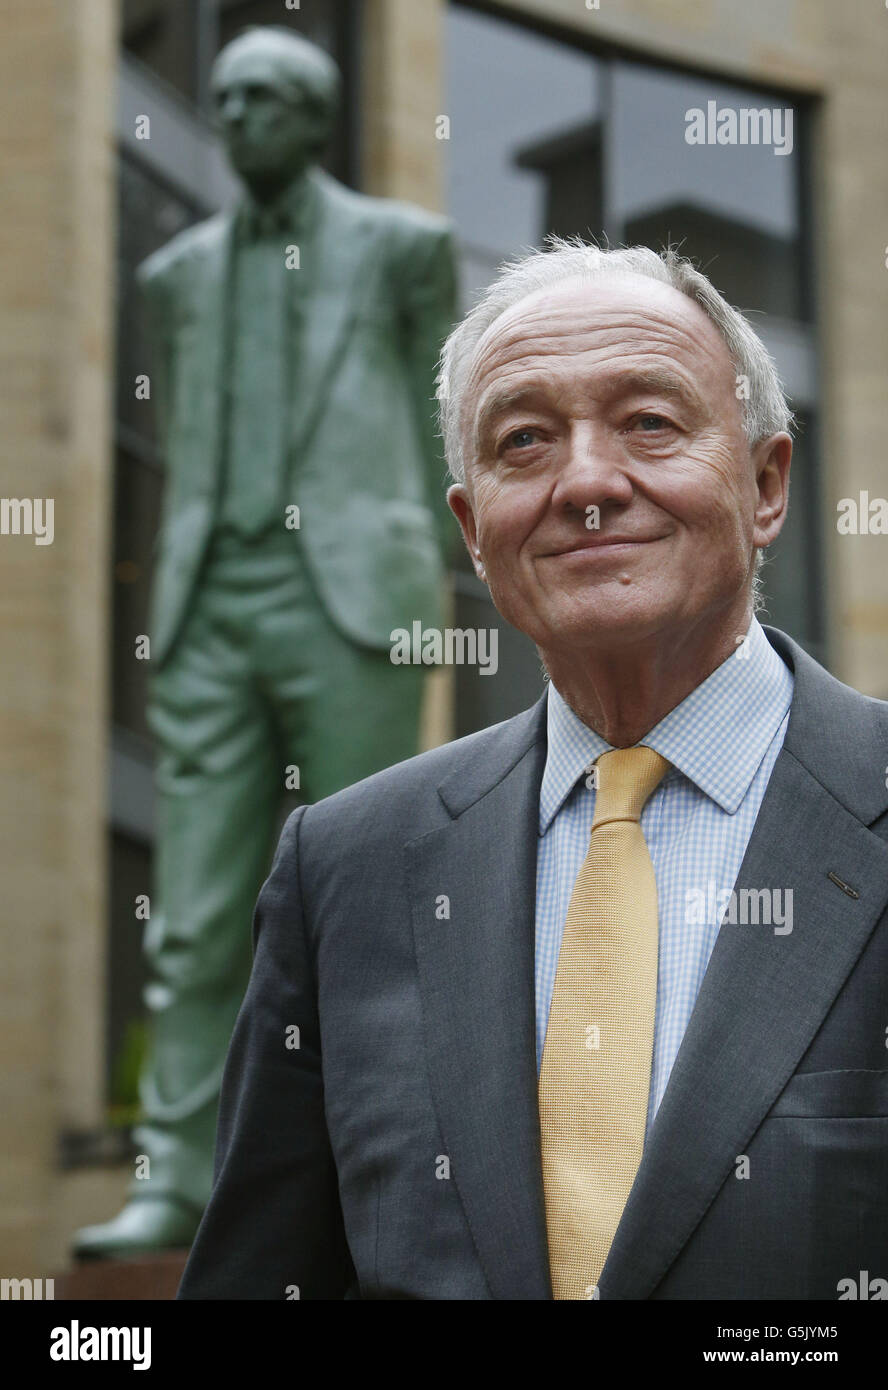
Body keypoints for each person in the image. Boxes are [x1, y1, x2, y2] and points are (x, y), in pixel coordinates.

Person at [177, 239, 888, 1299]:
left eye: (649, 422)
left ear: (767, 482)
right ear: (472, 530)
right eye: (524, 441)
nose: (589, 484)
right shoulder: (347, 866)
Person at [74, 25, 456, 1259]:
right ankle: (175, 1175)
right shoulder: (174, 274)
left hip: (348, 593)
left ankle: (368, 1170)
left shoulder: (403, 249)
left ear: (313, 115)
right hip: (211, 597)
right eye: (222, 98)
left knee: (366, 894)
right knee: (190, 910)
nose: (234, 116)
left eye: (262, 98)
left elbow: (426, 419)